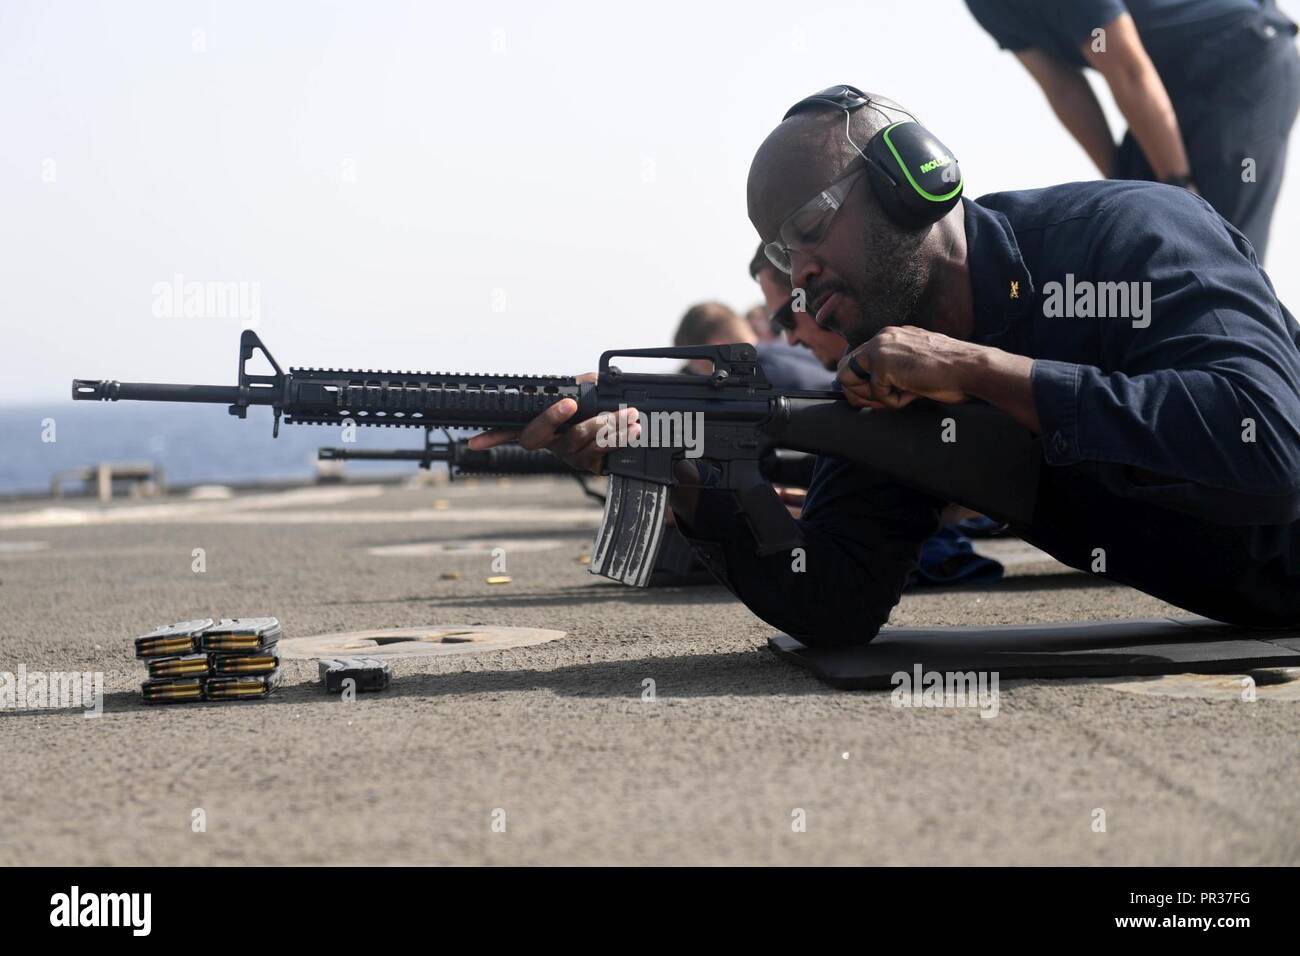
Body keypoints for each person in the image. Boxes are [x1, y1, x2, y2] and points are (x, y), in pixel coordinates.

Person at [472, 85, 1300, 642]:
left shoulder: (1131, 236)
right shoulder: (887, 376)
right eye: (780, 255)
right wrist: (683, 476)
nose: (799, 277)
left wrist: (981, 373)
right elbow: (831, 600)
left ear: (913, 178)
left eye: (809, 228)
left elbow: (1265, 442)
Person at [965, 0, 1300, 261]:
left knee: (1219, 250)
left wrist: (1179, 187)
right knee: (1141, 237)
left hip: (1245, 57)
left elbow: (1127, 68)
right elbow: (1064, 89)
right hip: (1165, 84)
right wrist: (1120, 178)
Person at [672, 300, 833, 390]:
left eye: (698, 367)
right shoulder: (806, 350)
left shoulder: (753, 378)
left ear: (716, 348)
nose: (700, 374)